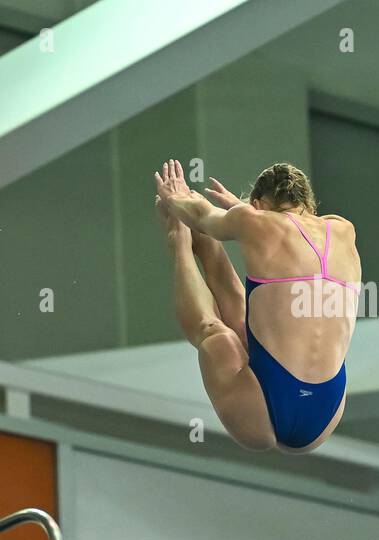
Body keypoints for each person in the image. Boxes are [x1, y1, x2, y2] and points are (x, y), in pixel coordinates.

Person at [154, 159, 360, 452]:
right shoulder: (344, 230)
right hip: (325, 413)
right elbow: (283, 223)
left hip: (260, 411)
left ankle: (181, 244)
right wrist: (243, 210)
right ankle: (197, 242)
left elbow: (202, 216)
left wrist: (174, 197)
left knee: (216, 334)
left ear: (258, 204)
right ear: (309, 205)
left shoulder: (253, 221)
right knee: (247, 322)